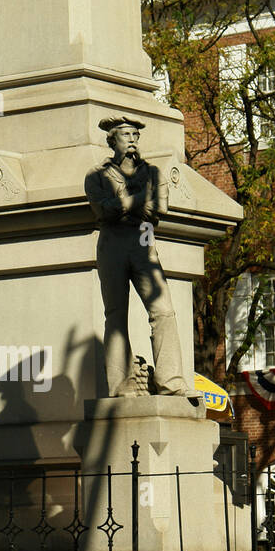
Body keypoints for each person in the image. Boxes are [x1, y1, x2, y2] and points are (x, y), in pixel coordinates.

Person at [83, 117, 195, 398]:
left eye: (135, 134)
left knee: (163, 310)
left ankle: (172, 382)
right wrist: (136, 200)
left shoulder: (153, 172)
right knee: (116, 315)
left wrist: (124, 204)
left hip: (144, 241)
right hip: (112, 244)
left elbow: (159, 209)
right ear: (112, 141)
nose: (132, 139)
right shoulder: (96, 175)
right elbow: (103, 211)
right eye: (125, 135)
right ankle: (121, 385)